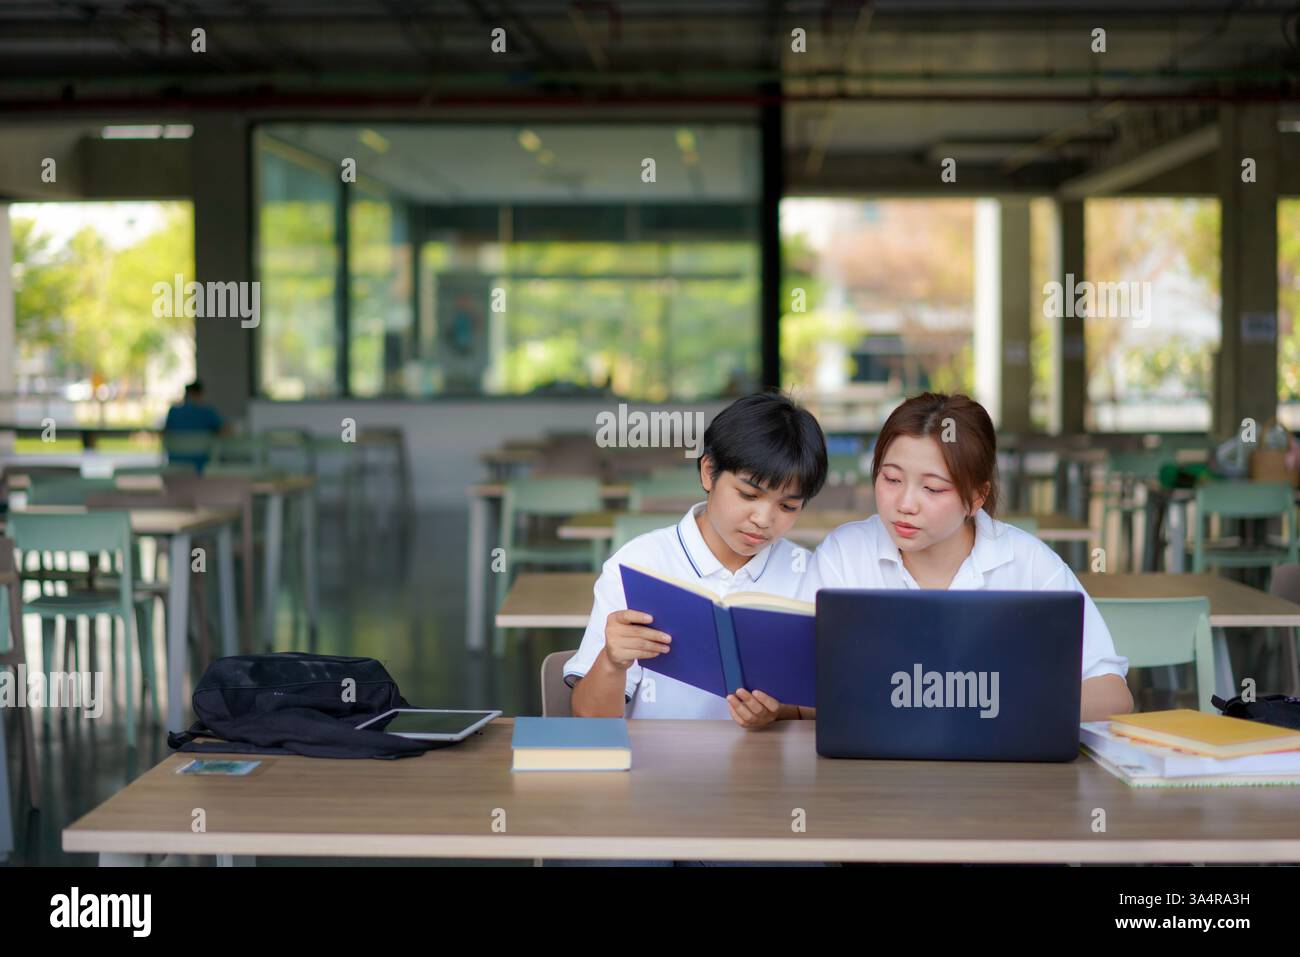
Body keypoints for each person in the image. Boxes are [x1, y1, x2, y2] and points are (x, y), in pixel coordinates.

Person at [799, 391, 1133, 723]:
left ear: (976, 497)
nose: (905, 503)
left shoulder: (1028, 564)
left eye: (932, 488)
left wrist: (997, 709)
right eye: (891, 479)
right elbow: (798, 689)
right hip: (871, 770)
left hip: (999, 769)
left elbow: (1112, 695)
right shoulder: (843, 555)